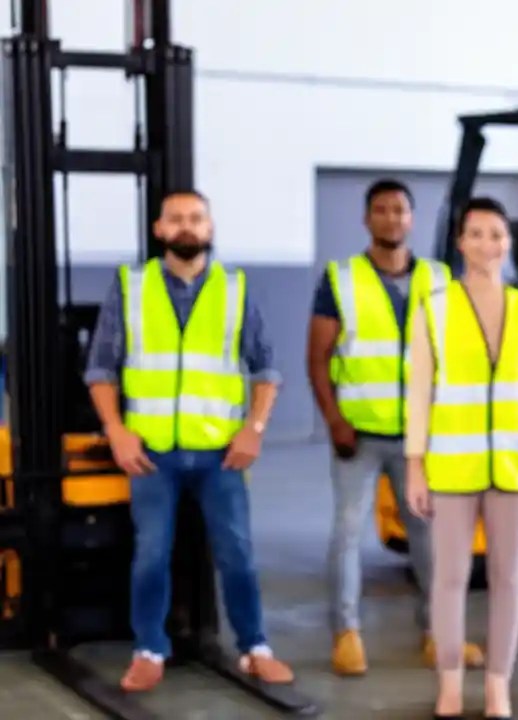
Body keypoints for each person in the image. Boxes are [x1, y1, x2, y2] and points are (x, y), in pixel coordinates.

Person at [84, 190, 295, 692]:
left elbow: (266, 367)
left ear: (210, 226)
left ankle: (255, 647)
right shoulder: (130, 287)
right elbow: (100, 368)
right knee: (152, 552)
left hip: (221, 452)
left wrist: (255, 428)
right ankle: (149, 649)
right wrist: (116, 430)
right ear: (159, 228)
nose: (186, 226)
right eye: (176, 218)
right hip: (152, 452)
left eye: (196, 218)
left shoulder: (235, 287)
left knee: (237, 553)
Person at [307, 178, 483, 675]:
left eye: (400, 210)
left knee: (429, 537)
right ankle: (346, 633)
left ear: (412, 218)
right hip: (358, 436)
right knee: (346, 532)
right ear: (367, 219)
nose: (391, 218)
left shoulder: (440, 279)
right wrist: (334, 420)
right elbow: (316, 358)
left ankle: (437, 632)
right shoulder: (340, 279)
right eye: (381, 210)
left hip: (421, 439)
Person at [403, 197, 518, 720]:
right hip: (451, 466)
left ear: (507, 242)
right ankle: (450, 683)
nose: (487, 244)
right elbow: (418, 392)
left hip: (514, 466)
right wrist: (415, 464)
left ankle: (498, 685)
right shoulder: (434, 308)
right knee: (449, 578)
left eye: (496, 234)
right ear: (460, 242)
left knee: (508, 578)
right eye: (476, 234)